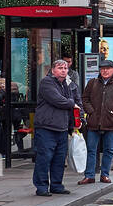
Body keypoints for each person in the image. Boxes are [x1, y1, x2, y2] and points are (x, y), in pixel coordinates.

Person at [33, 58, 82, 197]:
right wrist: (71, 103)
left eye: (65, 68)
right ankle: (41, 186)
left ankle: (56, 185)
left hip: (62, 127)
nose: (63, 71)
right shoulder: (46, 82)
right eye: (60, 68)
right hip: (46, 127)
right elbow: (57, 100)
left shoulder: (66, 84)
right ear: (53, 70)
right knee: (44, 157)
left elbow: (76, 98)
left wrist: (77, 120)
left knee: (59, 159)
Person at [78, 59, 113, 185]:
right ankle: (89, 175)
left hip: (111, 122)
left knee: (108, 150)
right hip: (94, 122)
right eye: (102, 69)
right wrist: (91, 111)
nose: (105, 71)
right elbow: (84, 99)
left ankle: (105, 175)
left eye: (107, 69)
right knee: (91, 149)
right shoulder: (92, 83)